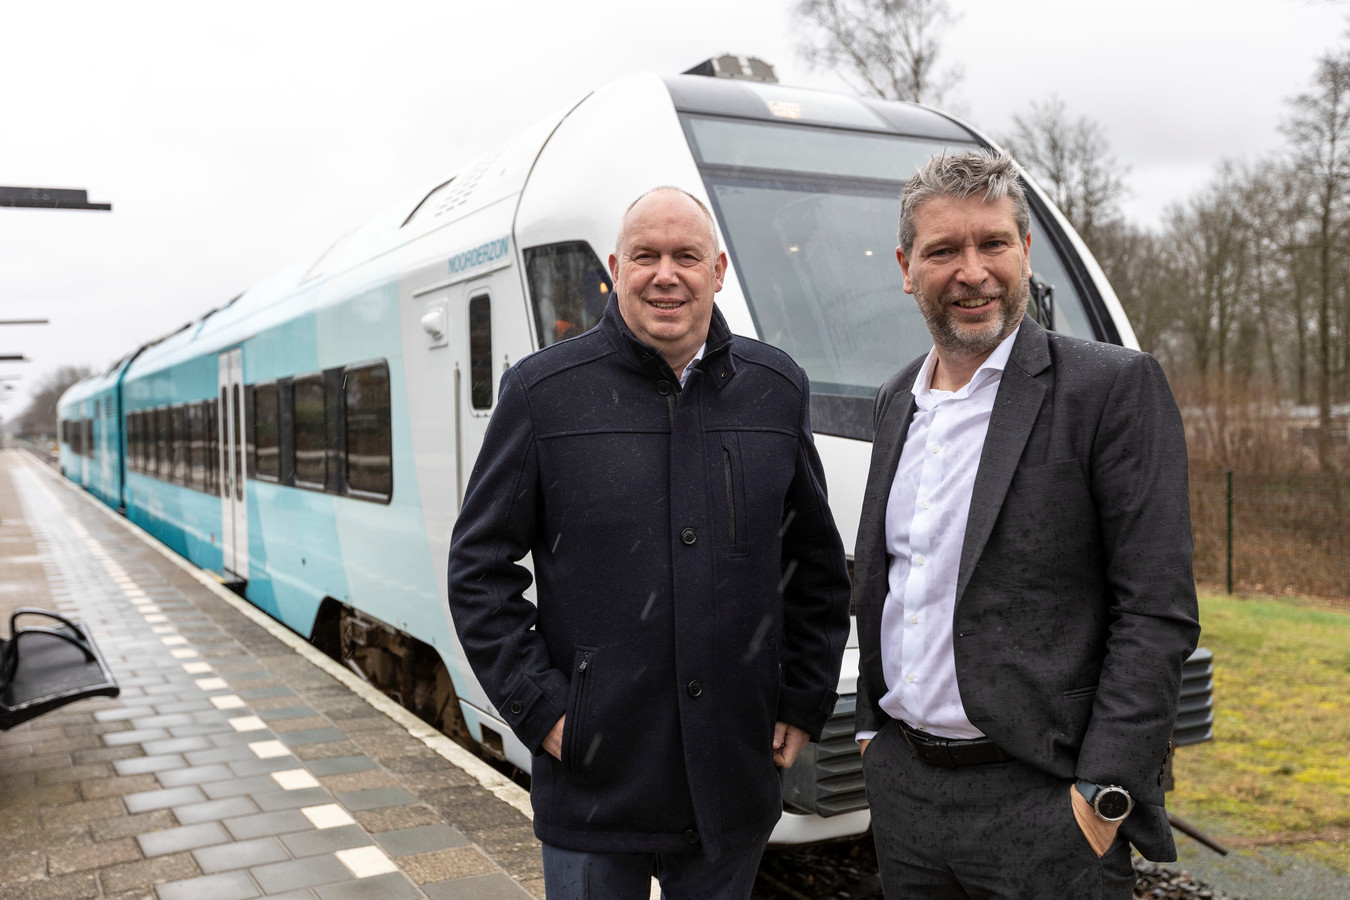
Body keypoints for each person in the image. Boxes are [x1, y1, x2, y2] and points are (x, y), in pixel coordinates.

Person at [447, 186, 851, 898]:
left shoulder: (775, 388)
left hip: (732, 774)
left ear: (718, 269)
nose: (666, 273)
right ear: (615, 266)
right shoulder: (543, 393)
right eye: (646, 255)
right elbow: (478, 569)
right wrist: (545, 712)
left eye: (686, 256)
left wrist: (802, 696)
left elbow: (814, 567)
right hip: (595, 785)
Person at [853, 150, 1201, 899]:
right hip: (906, 798)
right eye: (943, 249)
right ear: (906, 267)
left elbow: (1156, 614)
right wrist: (868, 739)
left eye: (993, 243)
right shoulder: (894, 403)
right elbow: (884, 577)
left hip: (1045, 806)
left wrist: (1101, 798)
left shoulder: (1110, 389)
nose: (972, 271)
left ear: (1024, 251)